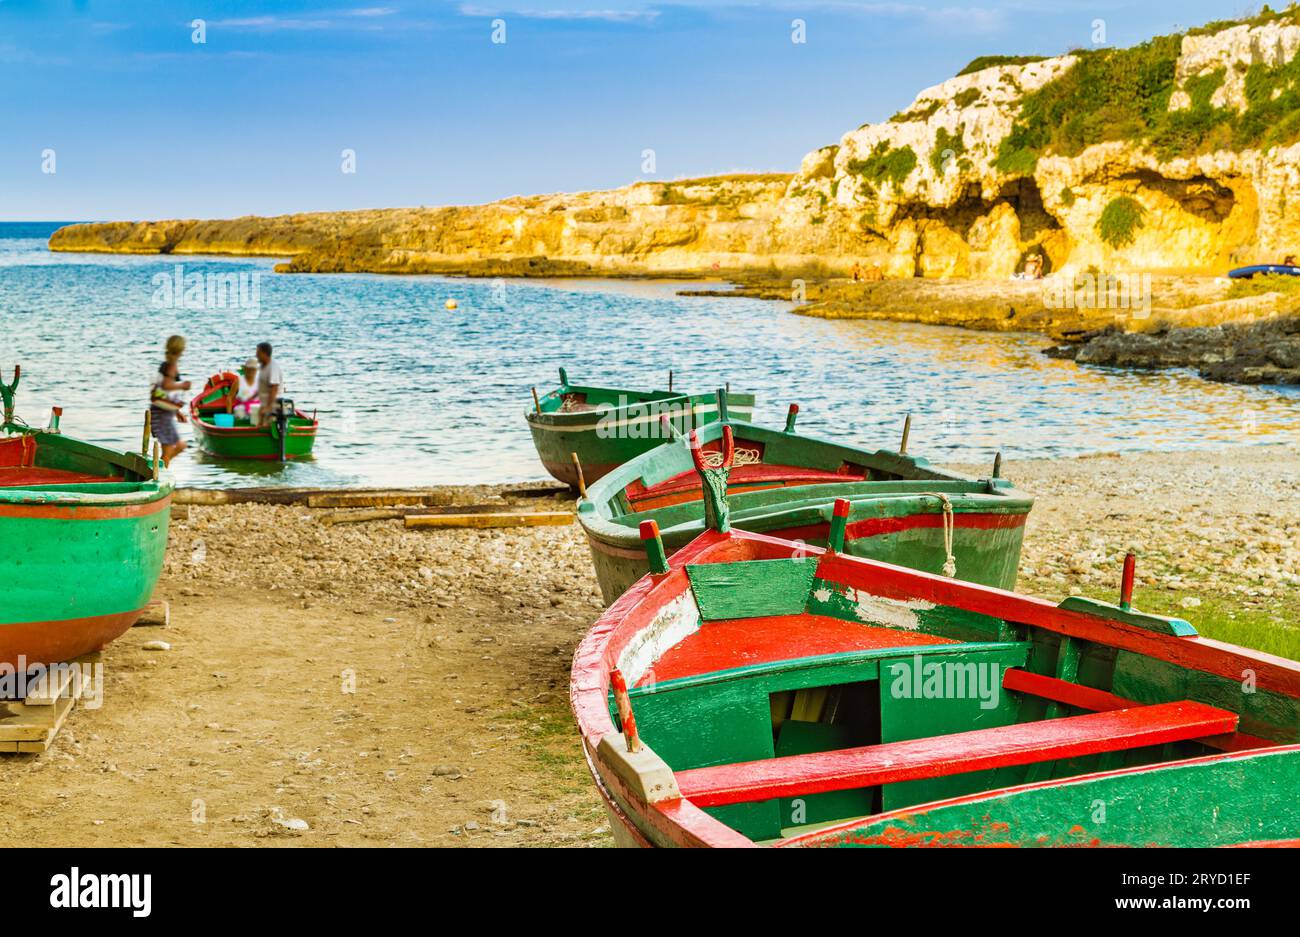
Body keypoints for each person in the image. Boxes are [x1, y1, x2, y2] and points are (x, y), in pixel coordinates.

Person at [150, 337, 191, 466]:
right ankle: (156, 472)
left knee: (171, 449)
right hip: (162, 413)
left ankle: (158, 471)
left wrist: (177, 411)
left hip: (162, 411)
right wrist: (183, 385)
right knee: (178, 446)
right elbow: (166, 386)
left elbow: (164, 392)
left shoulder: (166, 364)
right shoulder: (171, 366)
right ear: (181, 349)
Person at [255, 341, 283, 428]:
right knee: (259, 425)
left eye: (258, 353)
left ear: (264, 353)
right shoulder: (263, 367)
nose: (256, 355)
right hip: (264, 404)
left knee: (266, 426)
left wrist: (268, 407)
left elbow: (274, 388)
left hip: (273, 405)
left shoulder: (273, 367)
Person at [227, 358, 261, 422]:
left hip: (255, 409)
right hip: (241, 408)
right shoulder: (239, 381)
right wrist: (229, 415)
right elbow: (230, 397)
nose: (251, 371)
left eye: (253, 369)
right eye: (249, 369)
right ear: (245, 369)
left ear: (256, 370)